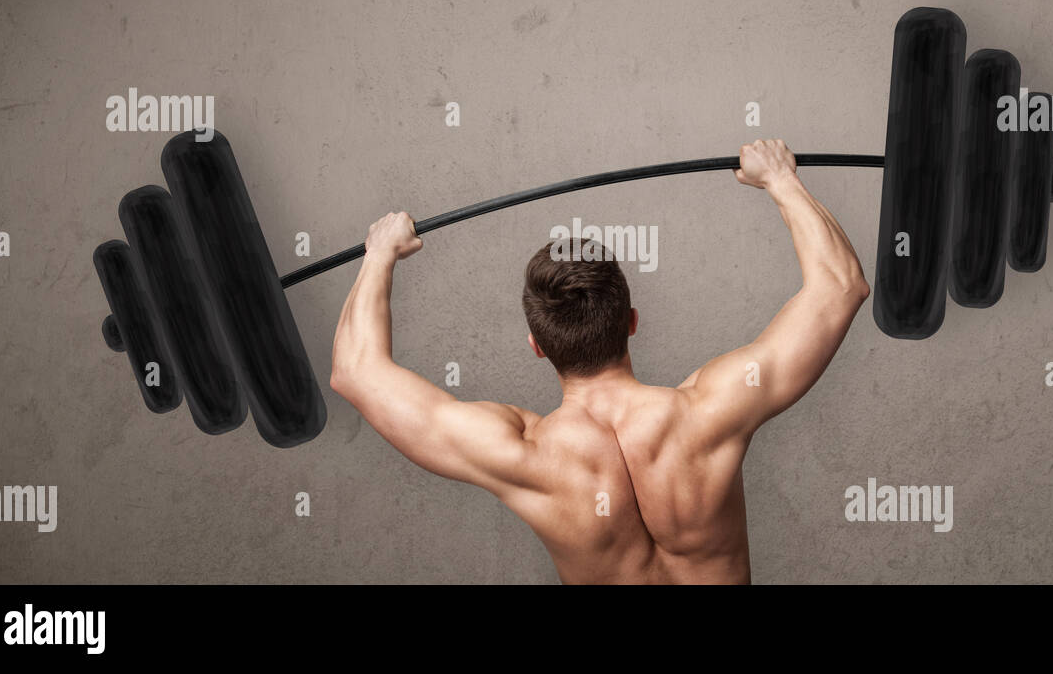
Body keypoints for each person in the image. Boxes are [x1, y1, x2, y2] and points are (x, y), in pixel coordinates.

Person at [330, 139, 869, 583]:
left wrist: (380, 254)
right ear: (631, 320)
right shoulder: (711, 411)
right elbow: (840, 287)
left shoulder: (520, 456)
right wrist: (780, 179)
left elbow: (356, 371)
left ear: (536, 345)